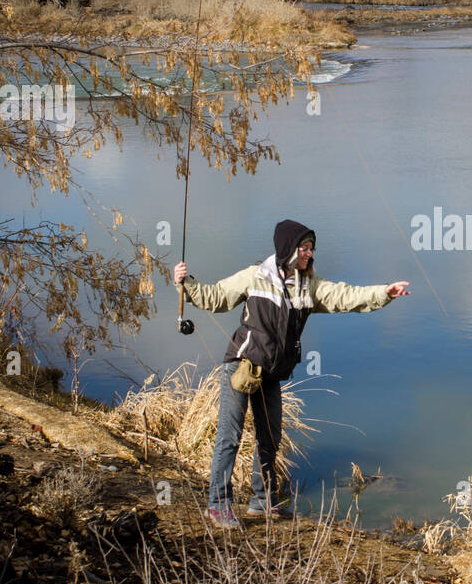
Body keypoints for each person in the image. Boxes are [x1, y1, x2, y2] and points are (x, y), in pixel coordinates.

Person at [174, 219, 410, 527]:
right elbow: (216, 297)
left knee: (270, 438)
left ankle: (262, 502)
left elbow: (345, 296)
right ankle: (218, 504)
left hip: (271, 372)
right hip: (241, 365)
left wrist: (385, 293)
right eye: (305, 248)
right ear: (288, 249)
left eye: (312, 249)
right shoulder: (255, 276)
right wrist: (186, 283)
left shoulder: (308, 286)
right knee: (229, 437)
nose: (310, 254)